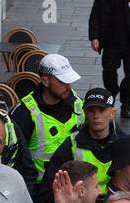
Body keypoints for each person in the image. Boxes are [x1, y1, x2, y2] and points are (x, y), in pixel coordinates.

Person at [36, 86, 120, 203]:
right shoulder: (70, 145)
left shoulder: (124, 143)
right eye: (91, 110)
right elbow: (50, 187)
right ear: (85, 113)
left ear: (112, 113)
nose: (96, 115)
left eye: (102, 110)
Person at [13, 55, 86, 183]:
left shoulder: (79, 104)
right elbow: (18, 160)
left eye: (69, 81)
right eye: (62, 82)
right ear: (45, 81)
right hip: (40, 189)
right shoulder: (24, 113)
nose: (68, 87)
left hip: (76, 187)